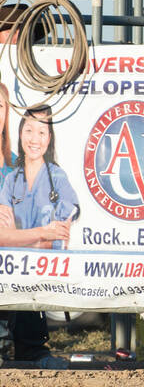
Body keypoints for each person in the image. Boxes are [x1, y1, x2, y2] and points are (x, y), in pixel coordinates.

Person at [0, 101, 75, 368]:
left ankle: (32, 352)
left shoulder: (55, 176)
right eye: (29, 131)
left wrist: (32, 235)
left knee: (27, 288)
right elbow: (4, 235)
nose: (34, 138)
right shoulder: (11, 180)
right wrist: (40, 232)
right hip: (11, 262)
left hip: (31, 266)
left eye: (42, 132)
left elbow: (64, 221)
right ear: (20, 133)